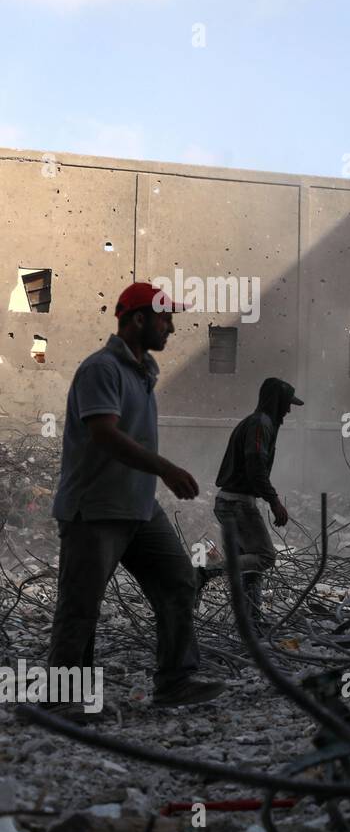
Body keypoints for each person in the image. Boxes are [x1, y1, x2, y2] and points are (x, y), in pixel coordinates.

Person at [48, 283, 226, 708]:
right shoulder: (102, 369)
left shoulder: (143, 372)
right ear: (139, 319)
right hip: (95, 510)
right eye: (165, 318)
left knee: (179, 580)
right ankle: (63, 702)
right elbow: (105, 434)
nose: (172, 327)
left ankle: (175, 682)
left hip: (138, 508)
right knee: (80, 608)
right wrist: (164, 468)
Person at [213, 377, 302, 627]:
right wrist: (274, 501)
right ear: (277, 402)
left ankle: (250, 621)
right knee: (265, 557)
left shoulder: (257, 423)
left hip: (231, 502)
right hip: (237, 504)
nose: (289, 410)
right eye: (287, 403)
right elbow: (255, 465)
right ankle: (207, 571)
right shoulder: (261, 424)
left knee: (251, 569)